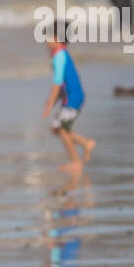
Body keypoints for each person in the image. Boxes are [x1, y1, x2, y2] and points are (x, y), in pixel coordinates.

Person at [43, 31, 95, 171]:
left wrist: (50, 103)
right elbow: (63, 84)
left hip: (73, 99)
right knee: (56, 128)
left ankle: (76, 162)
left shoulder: (59, 57)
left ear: (57, 39)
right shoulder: (61, 54)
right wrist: (53, 101)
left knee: (62, 130)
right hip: (70, 98)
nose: (46, 41)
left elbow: (57, 83)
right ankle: (85, 143)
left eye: (49, 38)